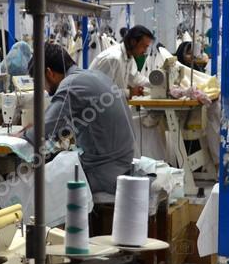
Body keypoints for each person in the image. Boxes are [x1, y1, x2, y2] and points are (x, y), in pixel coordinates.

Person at [24, 44, 134, 195]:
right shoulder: (95, 76)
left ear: (49, 73)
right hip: (123, 164)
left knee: (31, 188)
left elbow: (41, 133)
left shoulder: (71, 84)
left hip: (103, 174)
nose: (43, 89)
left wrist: (22, 134)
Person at [89, 24, 154, 98]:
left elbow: (135, 78)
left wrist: (157, 83)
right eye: (144, 46)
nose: (145, 51)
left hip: (109, 103)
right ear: (133, 42)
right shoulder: (114, 58)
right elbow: (103, 92)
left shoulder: (129, 57)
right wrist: (130, 92)